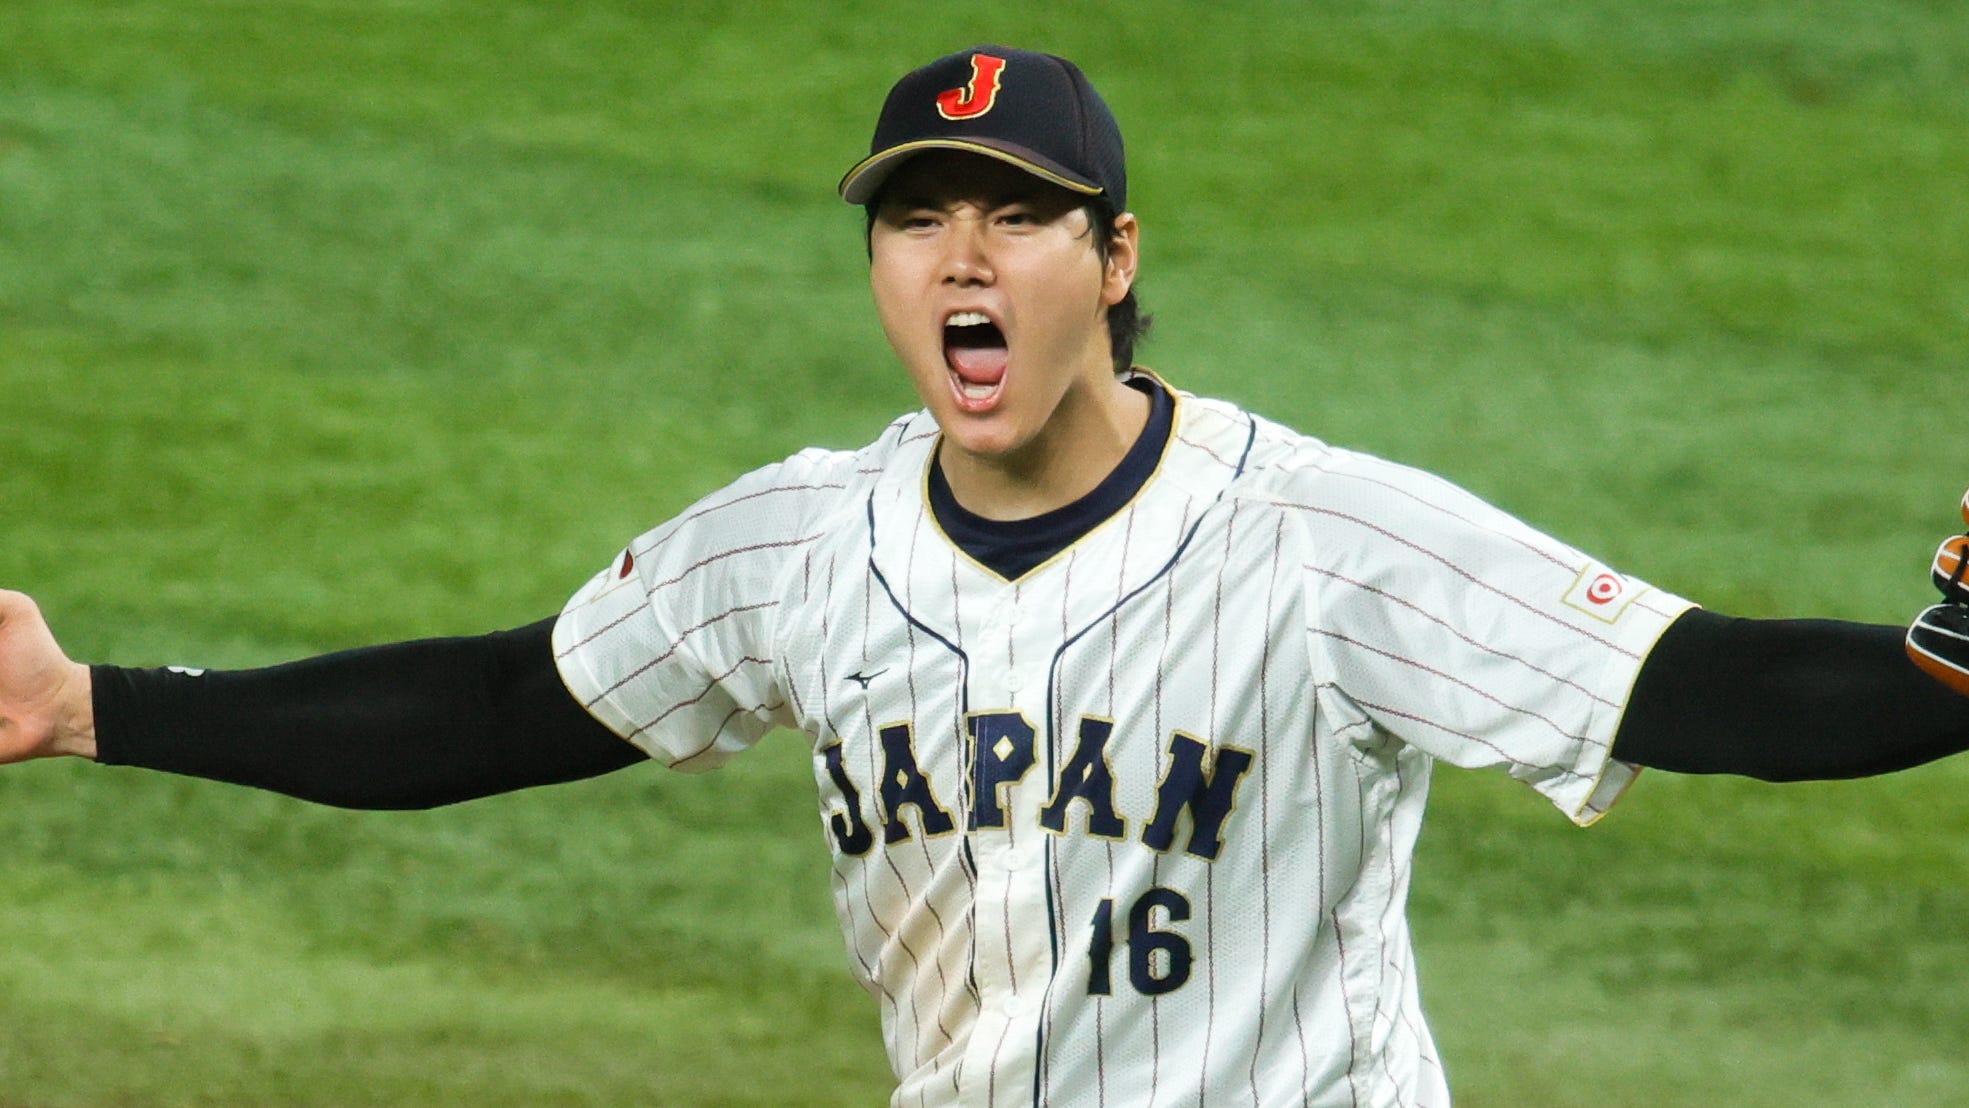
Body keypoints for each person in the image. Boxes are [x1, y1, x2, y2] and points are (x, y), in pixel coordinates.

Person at [4, 45, 1969, 1107]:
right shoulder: (797, 547)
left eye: (1017, 217)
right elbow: (498, 705)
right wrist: (91, 706)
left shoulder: (1318, 540)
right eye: (917, 219)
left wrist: (1944, 665)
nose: (962, 257)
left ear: (1111, 260)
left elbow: (1701, 686)